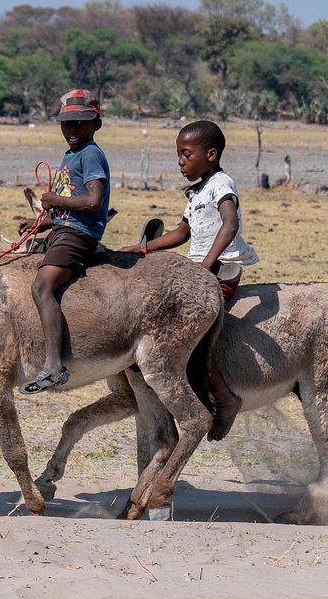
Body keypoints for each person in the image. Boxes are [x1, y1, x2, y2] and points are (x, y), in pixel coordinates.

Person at [120, 119, 257, 439]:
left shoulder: (222, 184)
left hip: (220, 269)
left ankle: (224, 399)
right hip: (195, 271)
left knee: (187, 336)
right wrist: (141, 248)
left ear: (210, 154)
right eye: (178, 155)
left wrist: (206, 266)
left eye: (185, 154)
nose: (180, 161)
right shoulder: (197, 191)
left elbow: (230, 224)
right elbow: (182, 233)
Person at [18, 89, 111, 395]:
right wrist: (43, 222)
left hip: (78, 235)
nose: (71, 129)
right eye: (66, 123)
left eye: (79, 123)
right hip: (64, 228)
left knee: (41, 286)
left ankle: (54, 366)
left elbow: (94, 200)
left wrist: (52, 199)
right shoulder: (71, 155)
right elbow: (70, 202)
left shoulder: (91, 154)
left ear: (94, 123)